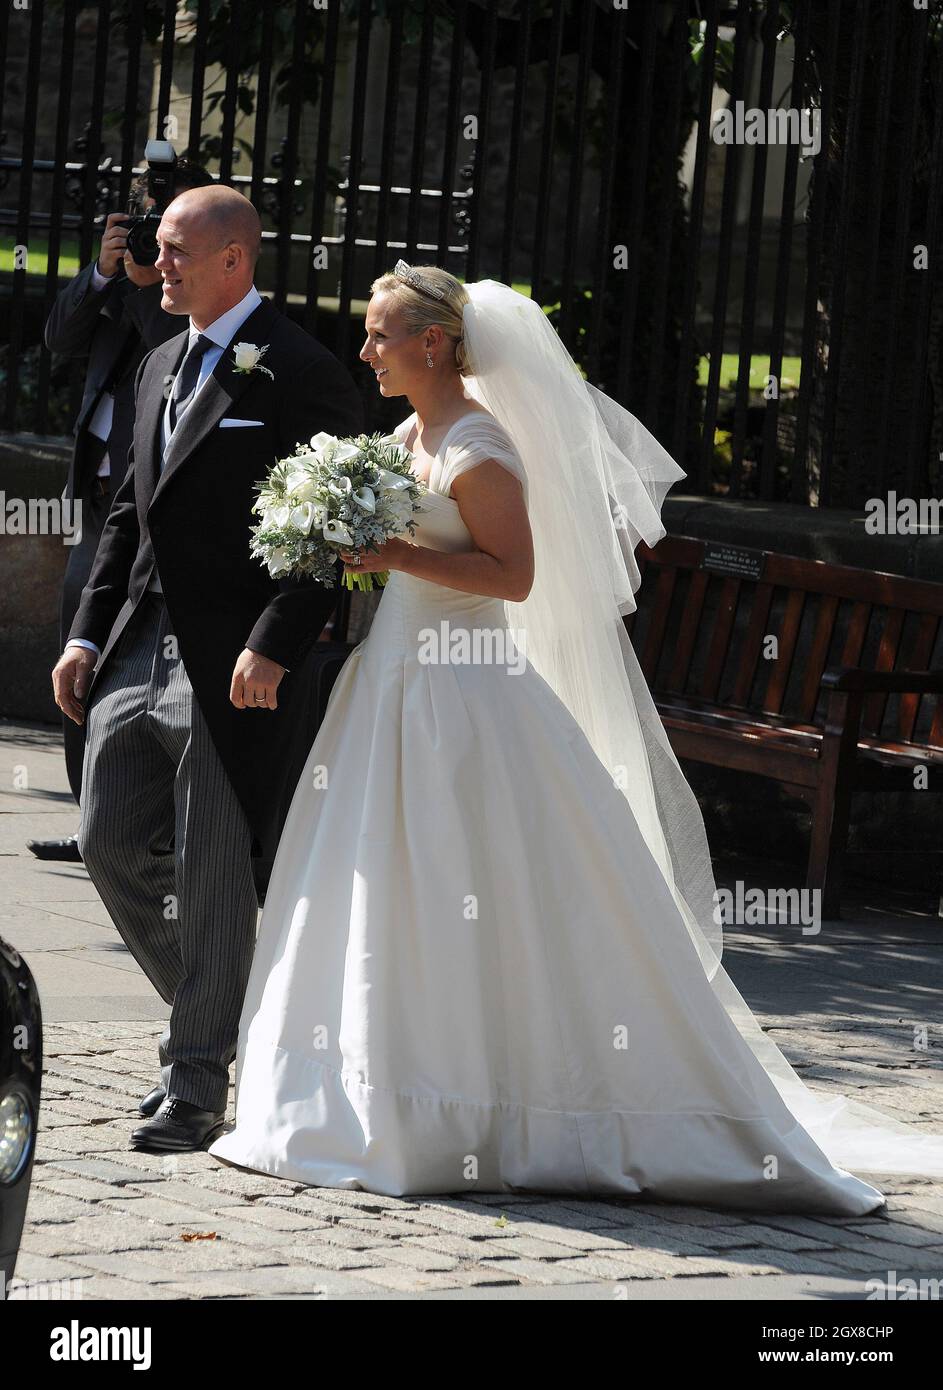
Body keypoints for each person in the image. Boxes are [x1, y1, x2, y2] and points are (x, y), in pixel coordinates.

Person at [208, 263, 943, 1212]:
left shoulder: (479, 447)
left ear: (433, 342)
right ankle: (360, 1098)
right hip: (390, 679)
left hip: (465, 695)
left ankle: (496, 1111)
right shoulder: (403, 436)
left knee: (466, 876)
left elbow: (512, 577)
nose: (365, 350)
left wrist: (389, 553)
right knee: (382, 877)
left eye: (380, 334)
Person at [51, 185, 363, 1151]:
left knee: (217, 867)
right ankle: (229, 1014)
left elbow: (333, 523)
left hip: (233, 660)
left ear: (236, 259)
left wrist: (276, 638)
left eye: (178, 250)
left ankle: (194, 1080)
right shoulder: (155, 363)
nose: (159, 264)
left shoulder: (299, 367)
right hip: (137, 647)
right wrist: (86, 635)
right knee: (108, 842)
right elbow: (124, 518)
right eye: (156, 248)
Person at [30, 162, 214, 863]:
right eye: (142, 222)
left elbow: (172, 350)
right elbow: (58, 339)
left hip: (162, 506)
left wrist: (141, 287)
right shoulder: (131, 272)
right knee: (81, 650)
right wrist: (102, 275)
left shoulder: (186, 283)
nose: (152, 243)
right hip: (104, 505)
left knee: (157, 671)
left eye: (163, 222)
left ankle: (155, 824)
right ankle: (91, 820)